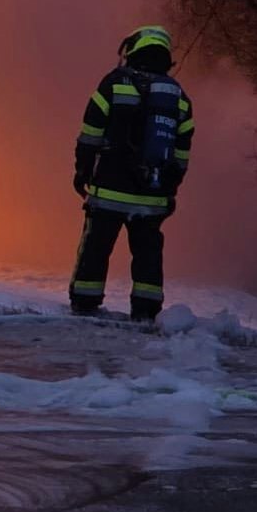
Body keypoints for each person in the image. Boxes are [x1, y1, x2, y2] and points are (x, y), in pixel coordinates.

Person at [69, 25, 194, 322]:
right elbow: (181, 152)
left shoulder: (114, 83)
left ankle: (85, 303)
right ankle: (146, 310)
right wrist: (169, 188)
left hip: (109, 189)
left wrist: (82, 170)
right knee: (148, 252)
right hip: (152, 194)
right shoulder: (178, 96)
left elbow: (91, 132)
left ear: (133, 50)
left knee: (97, 246)